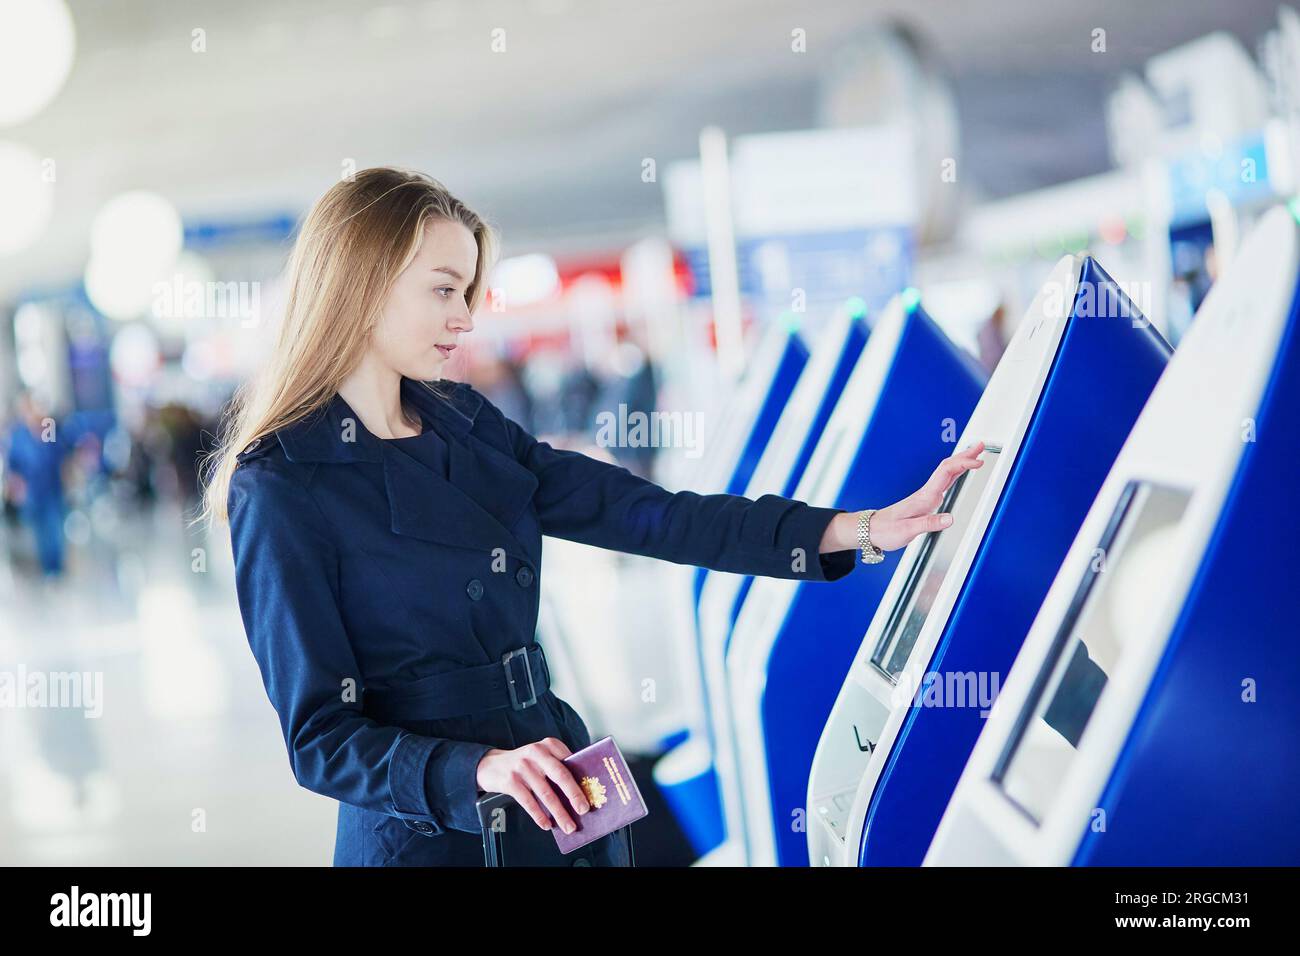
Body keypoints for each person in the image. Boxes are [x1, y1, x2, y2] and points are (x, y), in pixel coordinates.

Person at [197, 167, 984, 866]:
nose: (464, 318)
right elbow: (322, 741)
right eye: (443, 290)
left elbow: (647, 515)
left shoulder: (466, 426)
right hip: (429, 835)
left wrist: (856, 529)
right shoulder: (284, 483)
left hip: (555, 794)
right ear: (361, 285)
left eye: (466, 293)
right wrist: (474, 770)